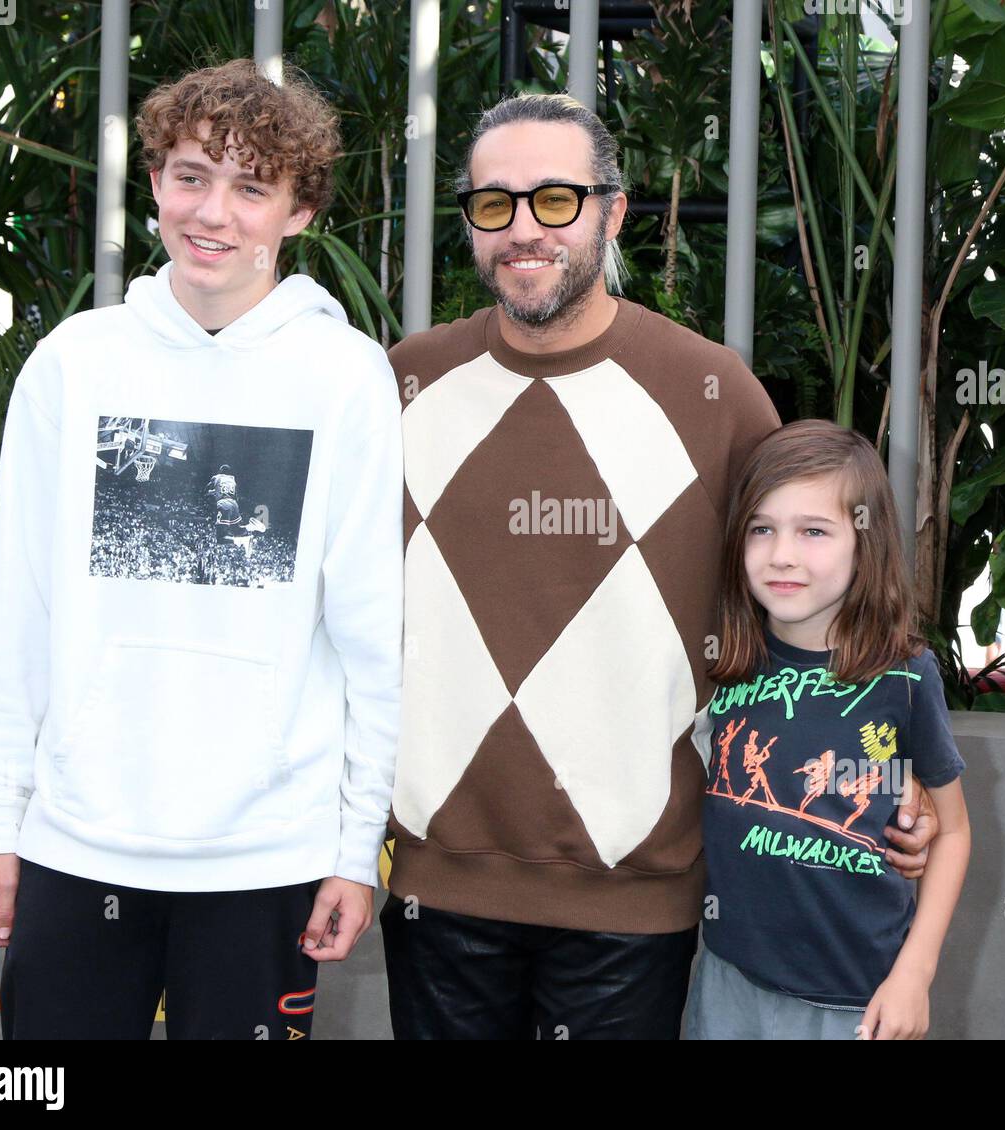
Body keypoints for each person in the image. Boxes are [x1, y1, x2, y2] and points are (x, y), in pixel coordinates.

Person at [380, 92, 940, 1040]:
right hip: (437, 885)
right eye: (493, 203)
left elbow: (802, 610)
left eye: (555, 200)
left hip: (635, 901)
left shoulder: (711, 393)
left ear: (613, 211)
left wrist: (887, 769)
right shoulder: (403, 383)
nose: (522, 229)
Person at [0, 59, 403, 1040]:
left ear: (298, 210)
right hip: (75, 845)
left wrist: (352, 842)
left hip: (267, 859)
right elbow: (17, 606)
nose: (214, 212)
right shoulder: (76, 362)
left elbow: (373, 632)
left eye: (252, 187)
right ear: (155, 181)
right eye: (192, 175)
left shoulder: (344, 376)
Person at [684, 420, 971, 1040]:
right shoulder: (726, 659)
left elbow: (951, 831)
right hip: (728, 982)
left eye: (814, 531)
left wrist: (913, 977)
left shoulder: (906, 677)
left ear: (865, 543)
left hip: (857, 1001)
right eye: (762, 529)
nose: (782, 554)